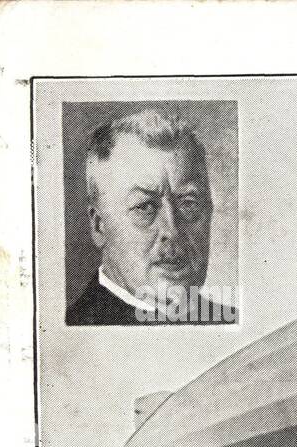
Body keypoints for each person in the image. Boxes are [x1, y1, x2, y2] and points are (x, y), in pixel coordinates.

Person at [66, 109, 237, 326]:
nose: (172, 231)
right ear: (99, 226)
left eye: (188, 203)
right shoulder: (78, 324)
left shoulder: (231, 321)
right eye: (145, 207)